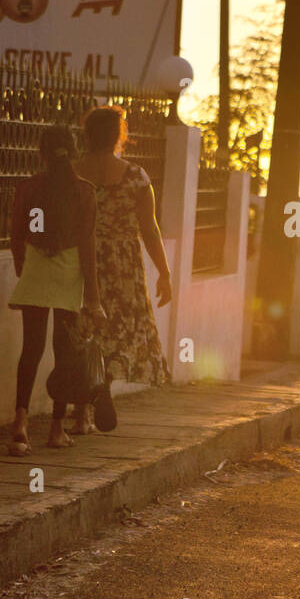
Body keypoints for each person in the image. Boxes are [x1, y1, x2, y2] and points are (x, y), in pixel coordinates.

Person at [70, 106, 172, 432]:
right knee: (119, 330)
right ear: (118, 136)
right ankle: (105, 385)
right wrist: (165, 272)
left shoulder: (73, 172)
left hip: (80, 259)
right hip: (123, 264)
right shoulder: (136, 177)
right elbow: (150, 229)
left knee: (84, 332)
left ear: (87, 134)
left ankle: (80, 413)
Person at [7, 125, 104, 456]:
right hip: (68, 275)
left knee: (30, 350)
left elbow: (18, 234)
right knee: (65, 355)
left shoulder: (28, 188)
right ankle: (56, 429)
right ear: (73, 152)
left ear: (41, 153)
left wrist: (25, 267)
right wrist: (94, 299)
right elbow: (87, 248)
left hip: (36, 269)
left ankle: (20, 427)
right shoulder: (85, 192)